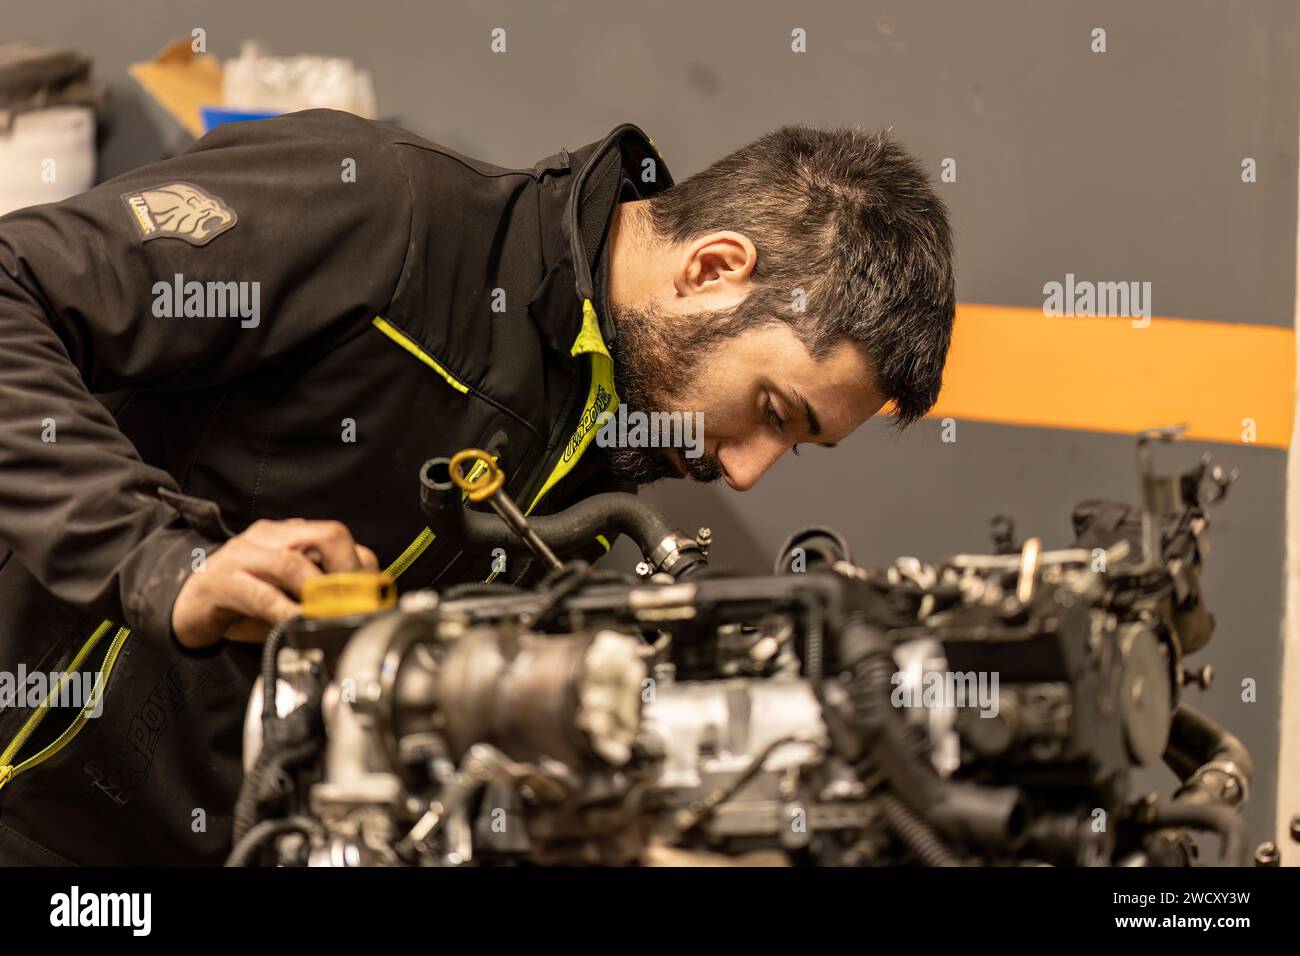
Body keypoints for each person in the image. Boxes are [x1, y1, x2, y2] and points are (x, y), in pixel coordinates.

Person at [0, 109, 955, 864]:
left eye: (796, 445)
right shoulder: (382, 213)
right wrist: (161, 562)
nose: (747, 472)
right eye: (774, 411)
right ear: (713, 270)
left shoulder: (602, 453)